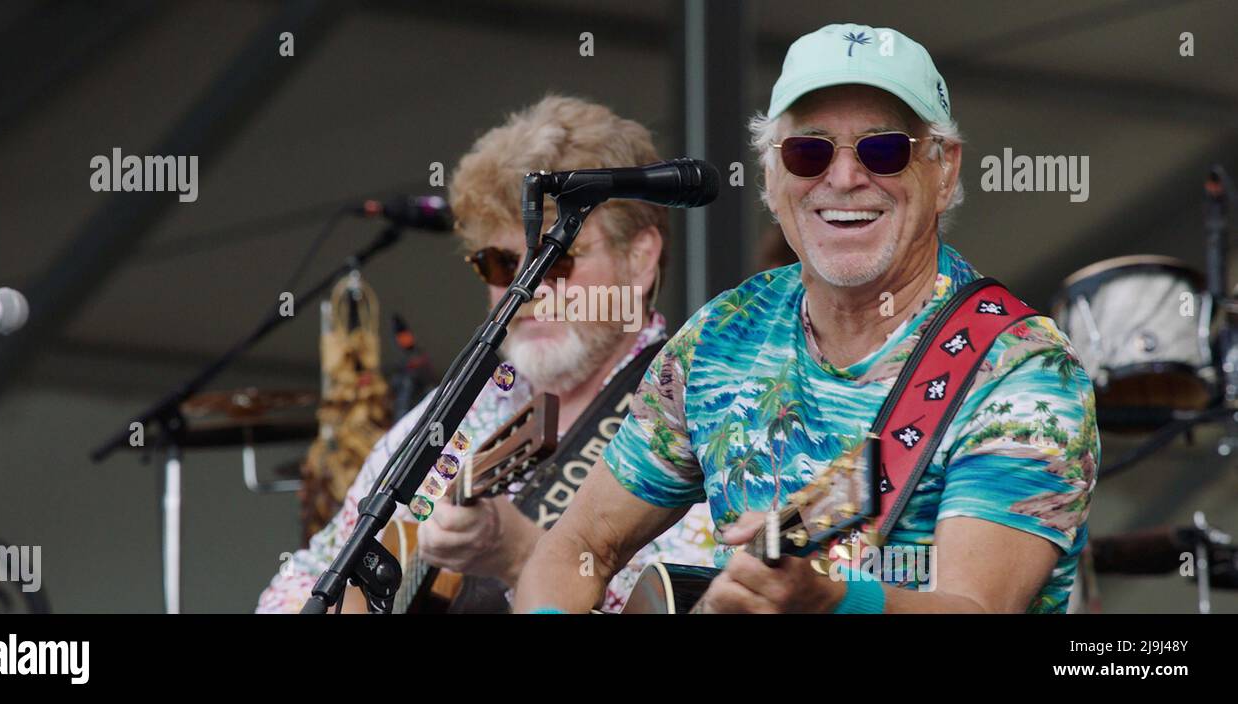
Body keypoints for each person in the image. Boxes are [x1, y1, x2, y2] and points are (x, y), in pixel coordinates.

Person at [514, 24, 1100, 614]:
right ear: (771, 175)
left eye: (884, 149)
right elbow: (573, 547)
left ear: (944, 170)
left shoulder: (1022, 367)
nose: (843, 179)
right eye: (808, 150)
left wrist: (834, 602)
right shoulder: (722, 335)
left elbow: (977, 609)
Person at [256, 95, 715, 614]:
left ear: (640, 258)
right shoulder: (463, 406)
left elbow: (694, 600)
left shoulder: (699, 405)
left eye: (556, 259)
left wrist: (523, 558)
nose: (530, 287)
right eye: (500, 263)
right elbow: (309, 573)